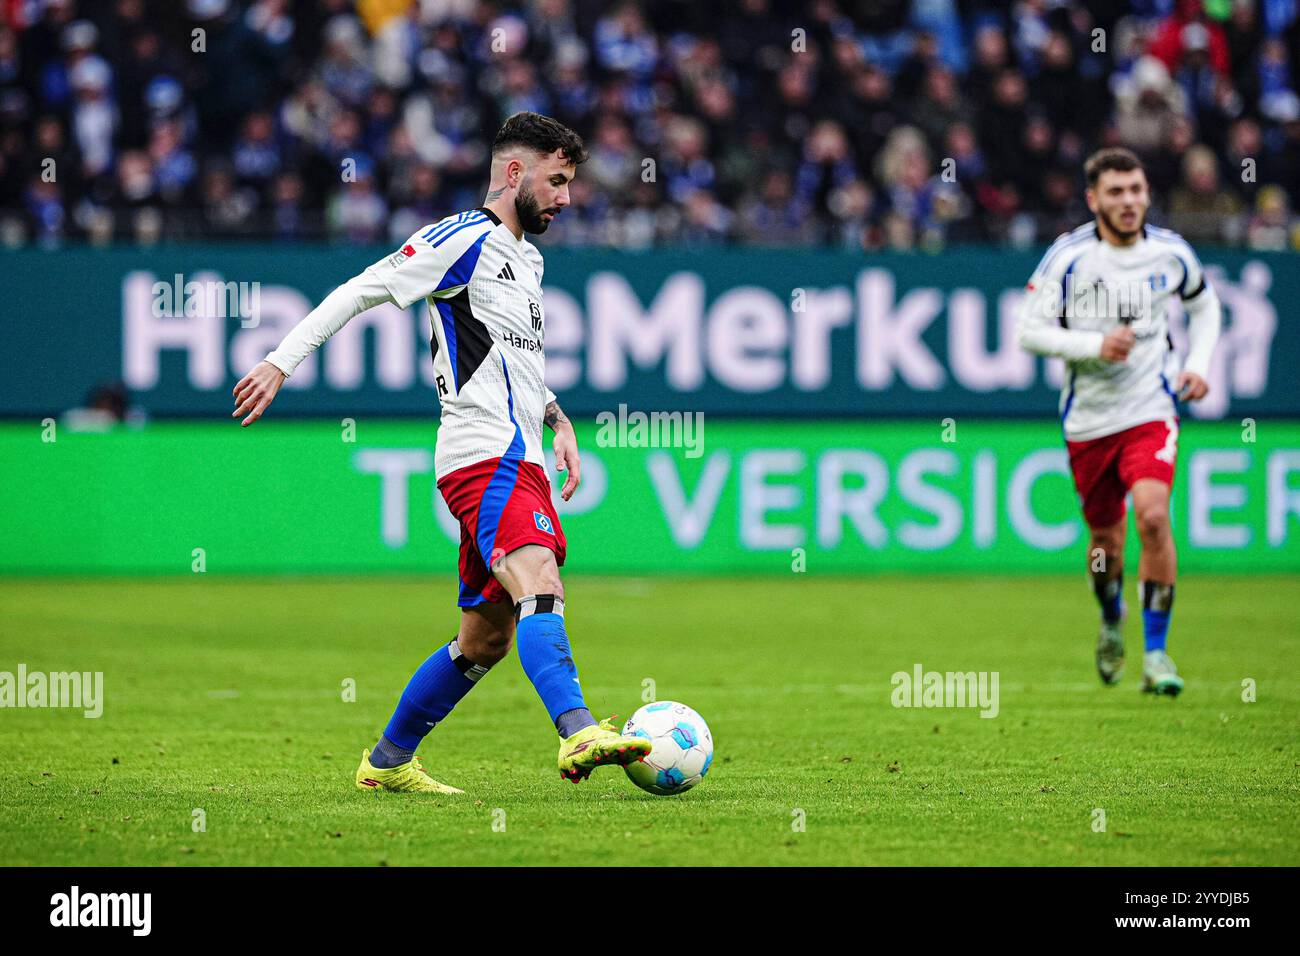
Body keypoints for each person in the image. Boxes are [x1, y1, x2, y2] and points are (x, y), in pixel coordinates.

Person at [231, 112, 651, 792]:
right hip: (485, 456)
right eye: (557, 181)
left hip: (520, 456)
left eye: (570, 184)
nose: (566, 198)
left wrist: (557, 418)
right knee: (540, 580)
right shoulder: (461, 238)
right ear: (515, 172)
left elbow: (521, 358)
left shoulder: (530, 260)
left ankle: (387, 763)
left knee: (485, 638)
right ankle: (578, 731)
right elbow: (359, 289)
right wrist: (281, 362)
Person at [1016, 147, 1222, 696]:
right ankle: (1112, 617)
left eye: (1136, 190)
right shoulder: (1069, 257)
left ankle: (1156, 654)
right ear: (1094, 199)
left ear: (1147, 193)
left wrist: (1198, 364)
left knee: (1153, 517)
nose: (1129, 202)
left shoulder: (1171, 254)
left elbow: (1205, 306)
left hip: (1150, 408)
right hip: (1088, 421)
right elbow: (1028, 331)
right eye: (1116, 192)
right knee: (1105, 541)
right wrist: (1093, 345)